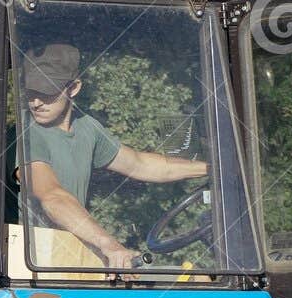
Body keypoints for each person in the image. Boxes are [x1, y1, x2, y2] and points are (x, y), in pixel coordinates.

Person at [19, 43, 208, 270]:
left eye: (46, 92)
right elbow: (52, 197)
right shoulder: (24, 131)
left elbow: (139, 164)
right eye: (31, 92)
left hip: (69, 257)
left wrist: (211, 169)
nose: (36, 102)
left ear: (74, 88)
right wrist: (109, 244)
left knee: (193, 277)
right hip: (31, 263)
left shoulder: (87, 128)